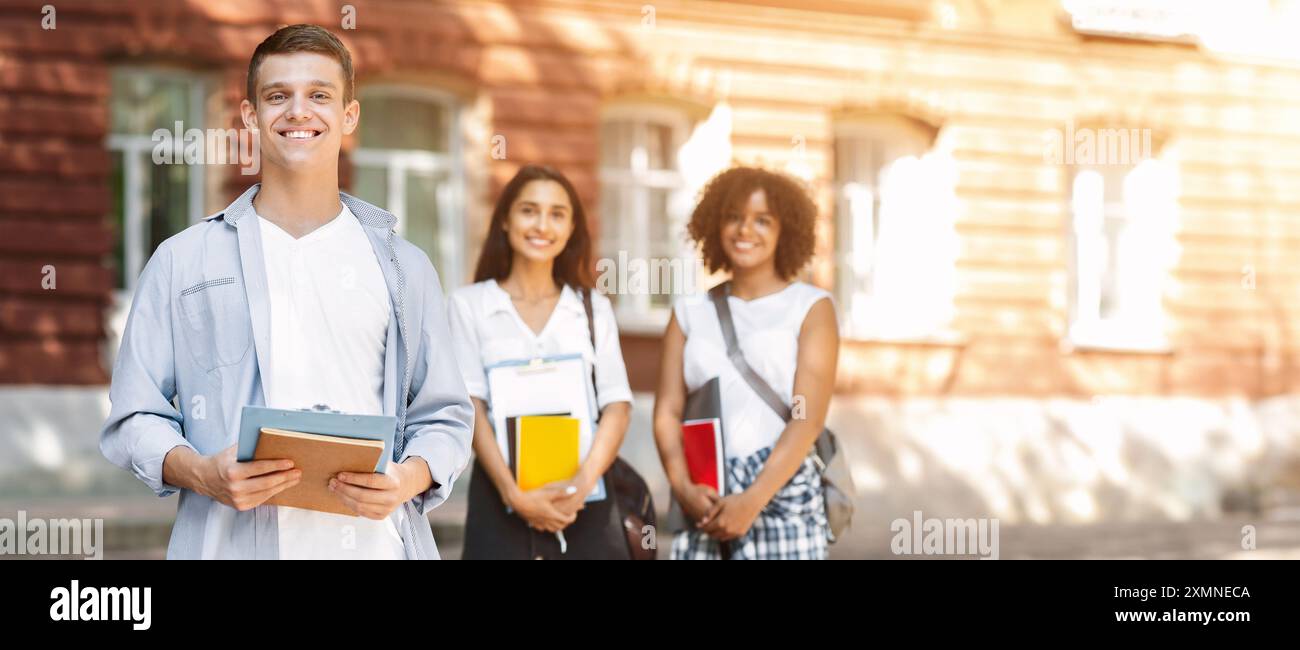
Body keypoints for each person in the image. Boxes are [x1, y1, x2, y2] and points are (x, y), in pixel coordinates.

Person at [99, 24, 474, 559]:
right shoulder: (183, 261)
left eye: (320, 95)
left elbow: (444, 415)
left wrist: (407, 479)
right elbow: (135, 414)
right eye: (279, 96)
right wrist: (202, 473)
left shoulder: (404, 268)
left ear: (349, 116)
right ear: (251, 116)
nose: (299, 112)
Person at [653, 166, 840, 560]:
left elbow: (807, 418)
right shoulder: (690, 310)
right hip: (706, 498)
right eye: (733, 217)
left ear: (784, 229)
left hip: (782, 497)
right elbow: (667, 411)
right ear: (715, 225)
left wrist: (752, 500)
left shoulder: (810, 307)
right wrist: (683, 488)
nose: (744, 230)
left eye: (762, 220)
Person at [449, 164, 634, 560]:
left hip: (587, 502)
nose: (542, 225)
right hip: (500, 501)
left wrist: (579, 488)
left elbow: (616, 406)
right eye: (529, 210)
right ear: (505, 220)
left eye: (557, 214)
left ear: (571, 229)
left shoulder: (592, 308)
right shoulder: (470, 305)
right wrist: (514, 495)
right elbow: (471, 405)